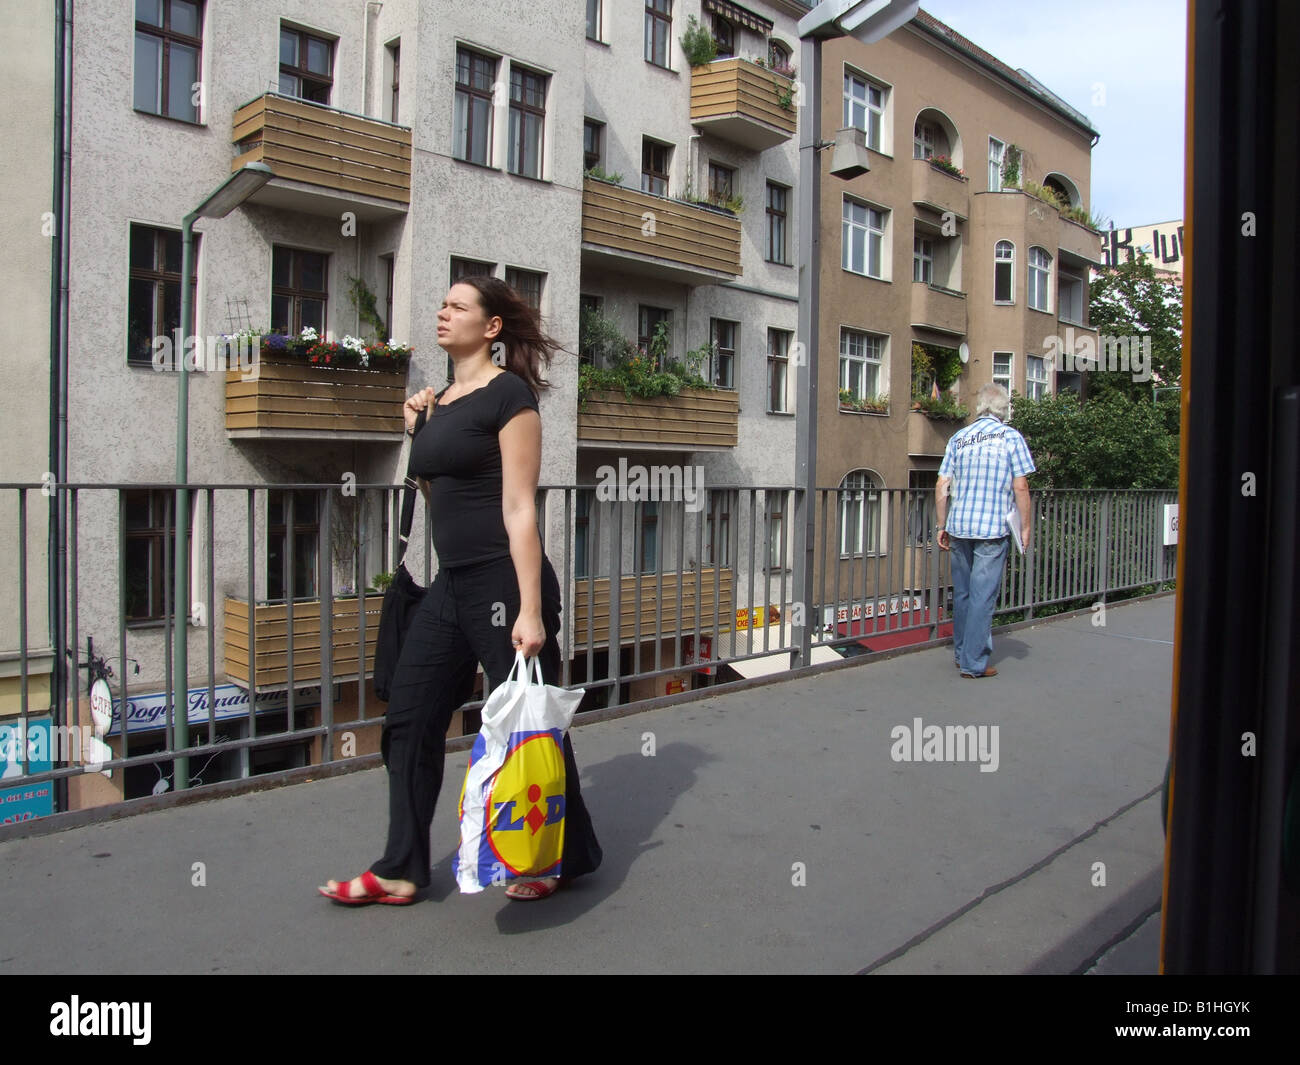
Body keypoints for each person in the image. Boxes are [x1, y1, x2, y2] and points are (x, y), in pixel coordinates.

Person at [319, 277, 601, 904]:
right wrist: (414, 425)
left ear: (491, 327)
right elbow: (434, 493)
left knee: (533, 726)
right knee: (407, 719)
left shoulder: (512, 398)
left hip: (506, 579)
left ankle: (560, 855)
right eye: (441, 304)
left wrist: (531, 610)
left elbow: (521, 508)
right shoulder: (438, 401)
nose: (442, 313)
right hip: (452, 585)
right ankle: (401, 866)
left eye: (457, 306)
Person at [935, 382, 1035, 679]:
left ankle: (961, 653)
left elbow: (942, 486)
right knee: (983, 596)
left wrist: (943, 525)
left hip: (960, 526)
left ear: (980, 407)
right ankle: (974, 663)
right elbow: (1021, 485)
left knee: (963, 593)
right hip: (991, 528)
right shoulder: (1010, 437)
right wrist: (1026, 527)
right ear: (1003, 409)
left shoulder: (958, 438)